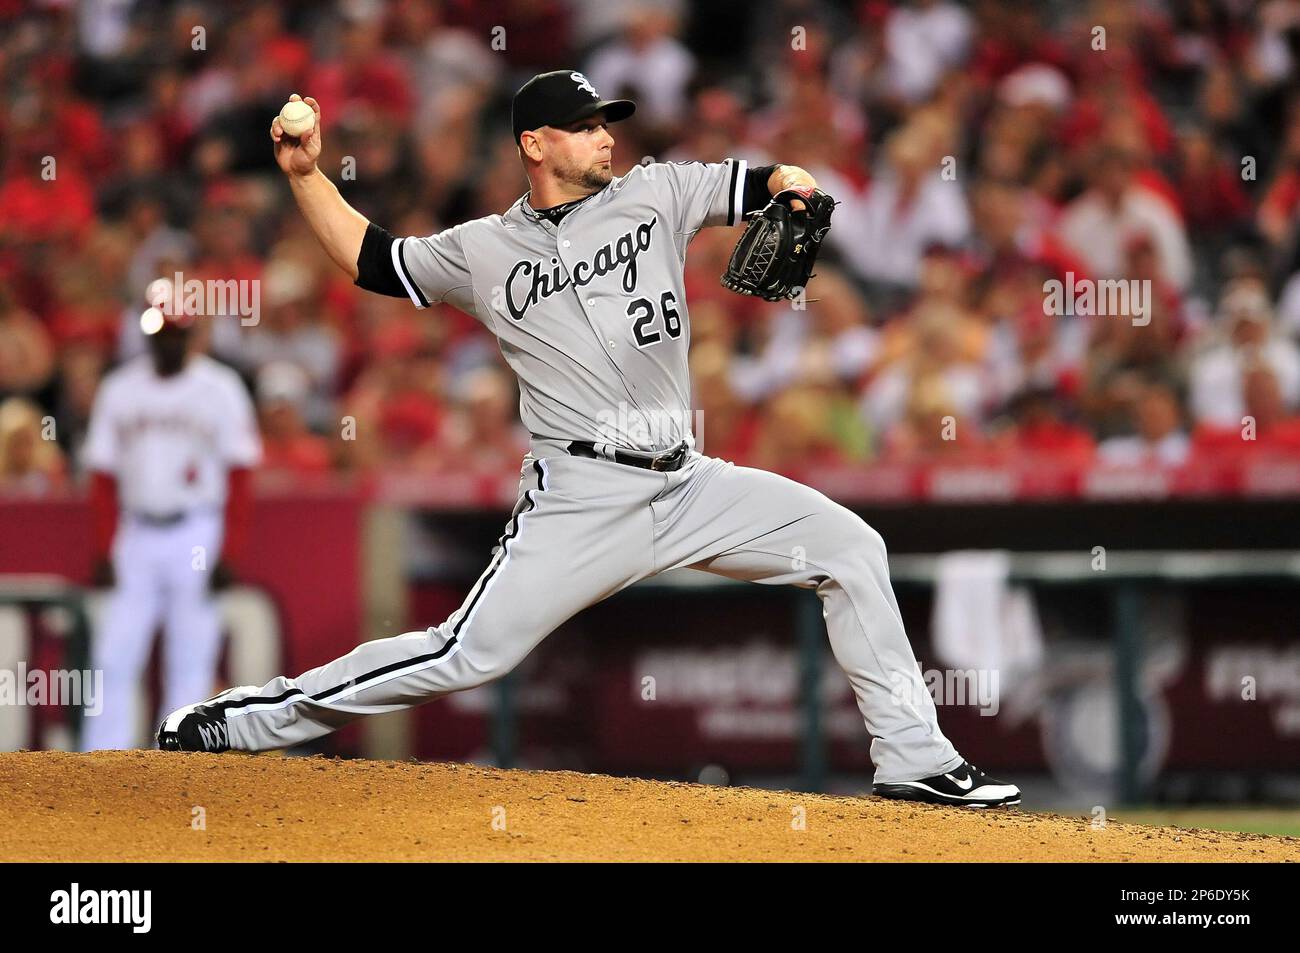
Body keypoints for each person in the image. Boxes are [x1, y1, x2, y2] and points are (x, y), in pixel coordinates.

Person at [158, 72, 1019, 808]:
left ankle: (916, 760)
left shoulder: (659, 192)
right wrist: (307, 175)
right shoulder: (482, 248)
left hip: (687, 481)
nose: (605, 136)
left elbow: (767, 179)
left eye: (607, 122)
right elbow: (371, 260)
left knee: (850, 546)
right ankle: (243, 719)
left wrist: (792, 186)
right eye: (585, 125)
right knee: (468, 651)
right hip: (580, 497)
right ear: (535, 143)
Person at [81, 294, 260, 749]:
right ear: (147, 335)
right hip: (136, 530)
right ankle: (101, 763)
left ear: (191, 335)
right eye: (159, 334)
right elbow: (102, 476)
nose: (167, 343)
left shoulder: (220, 388)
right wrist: (104, 547)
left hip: (197, 529)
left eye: (176, 334)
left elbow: (240, 475)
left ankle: (182, 764)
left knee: (192, 658)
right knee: (113, 655)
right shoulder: (120, 388)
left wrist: (230, 549)